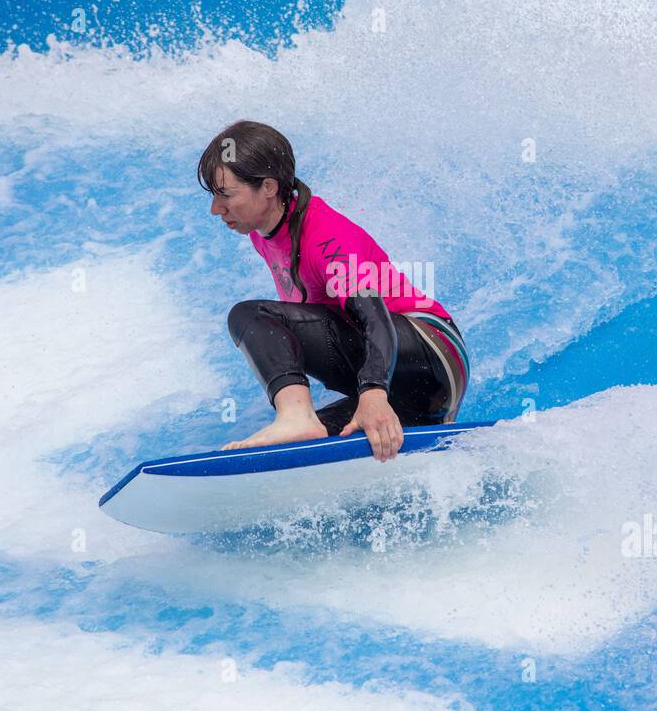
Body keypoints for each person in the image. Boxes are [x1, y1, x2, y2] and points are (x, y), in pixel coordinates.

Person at [200, 120, 469, 462]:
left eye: (226, 194)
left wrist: (372, 392)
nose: (216, 209)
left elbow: (374, 315)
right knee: (300, 452)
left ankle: (296, 415)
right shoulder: (263, 234)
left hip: (429, 353)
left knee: (249, 316)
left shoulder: (325, 235)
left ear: (268, 187)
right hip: (413, 393)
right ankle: (319, 423)